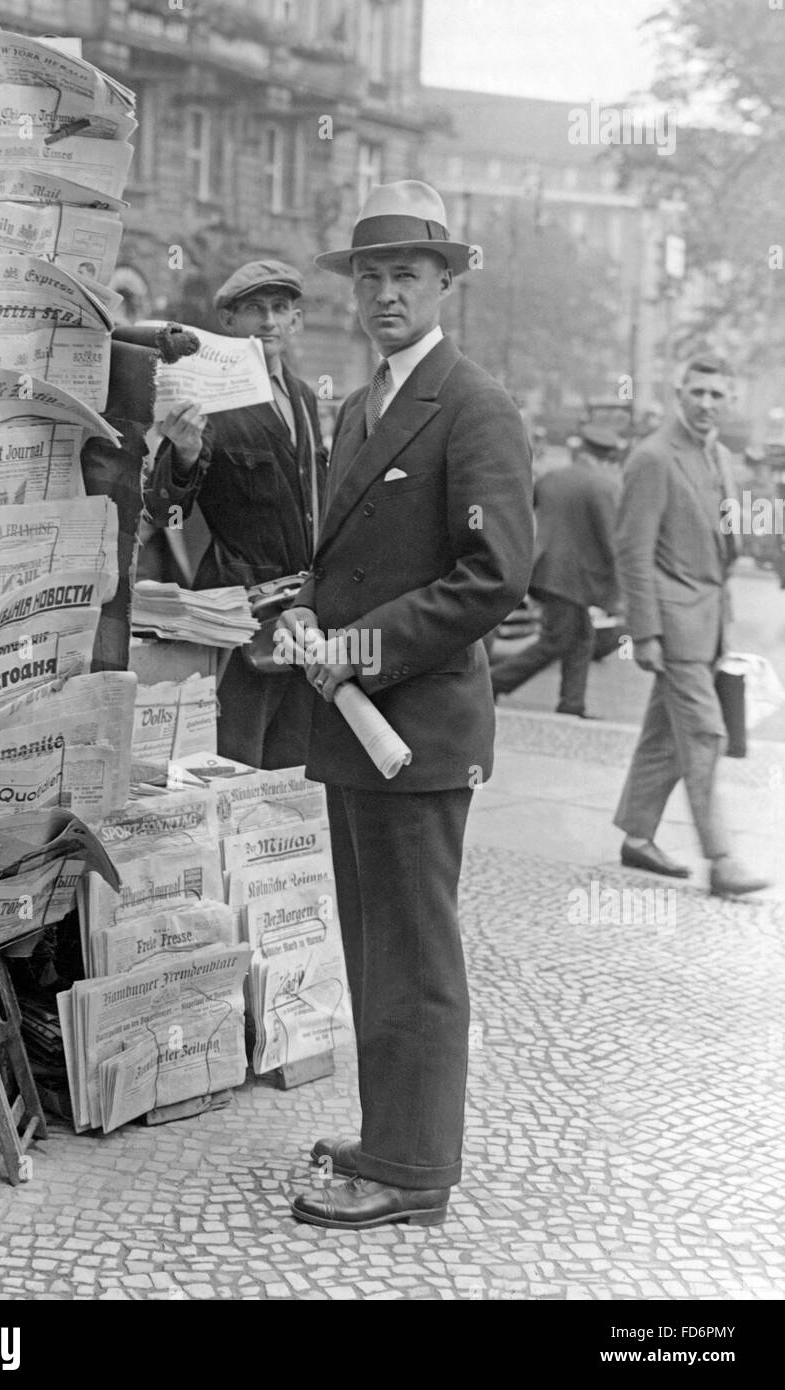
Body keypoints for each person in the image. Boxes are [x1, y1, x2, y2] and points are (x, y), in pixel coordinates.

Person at [278, 180, 534, 1229]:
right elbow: (352, 557)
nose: (386, 292)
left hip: (412, 732)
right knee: (374, 943)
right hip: (356, 725)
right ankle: (390, 1135)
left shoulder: (472, 405)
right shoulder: (362, 404)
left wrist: (358, 649)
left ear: (444, 285)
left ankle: (413, 1172)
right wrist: (304, 607)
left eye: (407, 275)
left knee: (414, 953)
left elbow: (495, 575)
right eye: (371, 275)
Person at [144, 260, 327, 769]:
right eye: (254, 310)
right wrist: (181, 452)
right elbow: (166, 510)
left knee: (293, 768)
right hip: (235, 615)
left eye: (280, 309)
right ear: (229, 324)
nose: (268, 321)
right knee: (230, 766)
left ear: (296, 321)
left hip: (301, 615)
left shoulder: (307, 400)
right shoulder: (209, 401)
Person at [613, 352, 769, 896]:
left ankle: (636, 837)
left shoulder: (721, 457)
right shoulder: (653, 457)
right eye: (697, 392)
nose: (706, 403)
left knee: (664, 736)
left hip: (709, 621)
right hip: (674, 626)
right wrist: (647, 632)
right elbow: (632, 552)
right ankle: (722, 859)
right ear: (679, 394)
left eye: (716, 395)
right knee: (704, 733)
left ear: (730, 401)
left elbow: (727, 539)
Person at [491, 422, 623, 718]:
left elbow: (522, 511)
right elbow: (610, 541)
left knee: (581, 638)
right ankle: (491, 683)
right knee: (556, 640)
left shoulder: (552, 478)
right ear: (606, 456)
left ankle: (572, 704)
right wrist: (618, 587)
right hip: (573, 578)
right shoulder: (603, 486)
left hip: (545, 570)